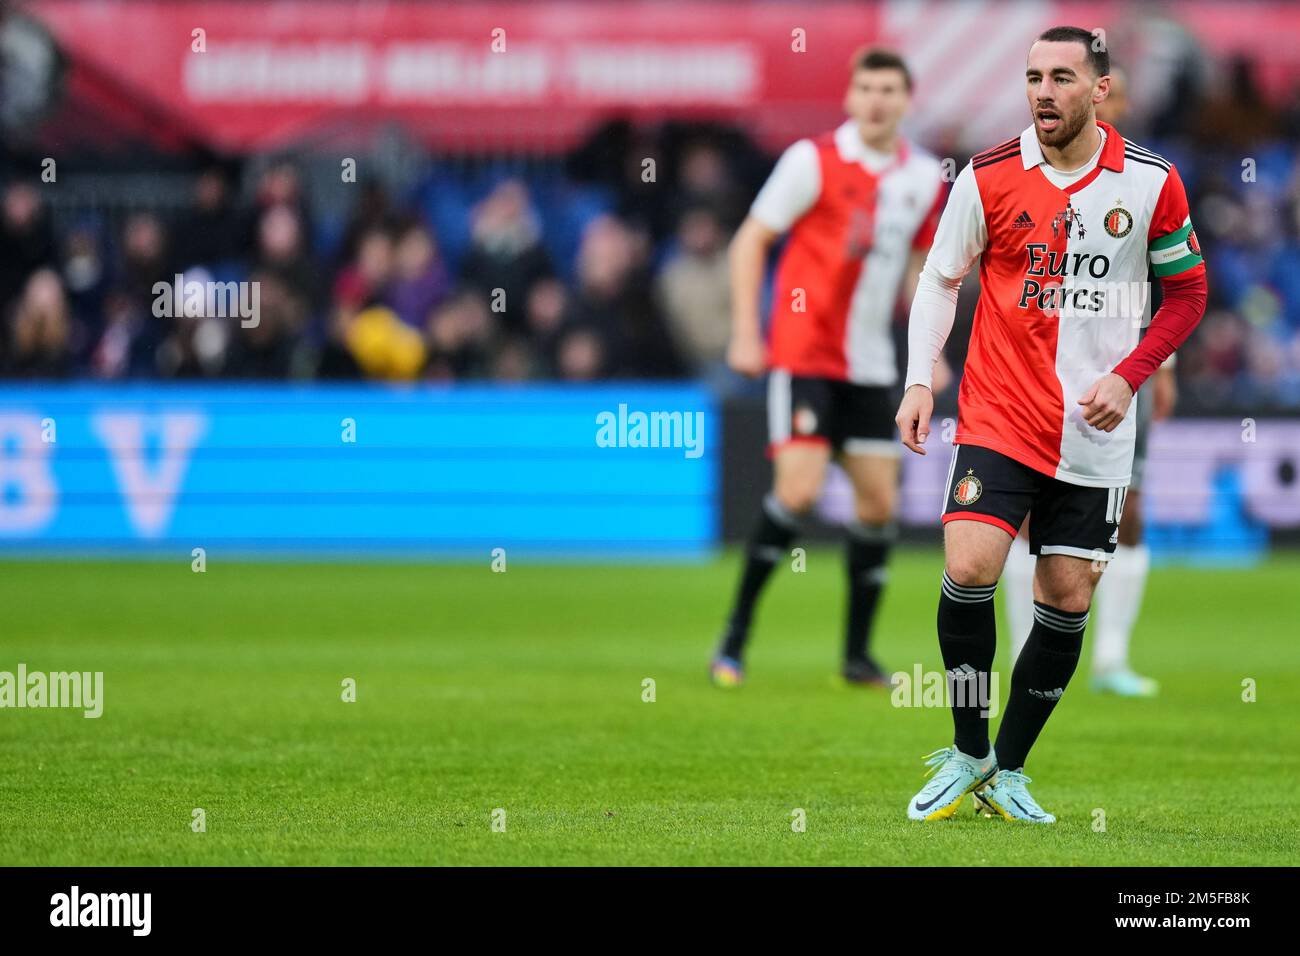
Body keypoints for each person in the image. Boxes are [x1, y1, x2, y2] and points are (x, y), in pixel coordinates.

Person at [896, 27, 1206, 822]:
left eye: (1062, 77)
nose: (1042, 91)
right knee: (970, 565)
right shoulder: (990, 175)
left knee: (1066, 595)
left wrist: (1130, 377)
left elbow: (1188, 295)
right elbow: (939, 278)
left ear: (1099, 90)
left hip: (1095, 430)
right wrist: (920, 379)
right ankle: (968, 749)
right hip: (998, 412)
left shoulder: (1151, 184)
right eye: (1033, 76)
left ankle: (1010, 766)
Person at [710, 47, 946, 688]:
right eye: (865, 87)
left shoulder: (924, 178)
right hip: (805, 353)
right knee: (800, 491)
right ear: (849, 96)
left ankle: (857, 655)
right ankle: (733, 638)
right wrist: (744, 333)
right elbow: (751, 239)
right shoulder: (810, 160)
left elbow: (923, 270)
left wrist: (933, 353)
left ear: (906, 100)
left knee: (877, 504)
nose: (875, 100)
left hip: (872, 366)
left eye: (888, 89)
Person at [1001, 67, 1175, 697]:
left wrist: (1162, 368)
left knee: (1129, 510)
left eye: (1123, 95)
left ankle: (1111, 659)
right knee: (1023, 515)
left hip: (1126, 374)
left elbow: (1168, 288)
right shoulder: (1034, 172)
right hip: (1039, 370)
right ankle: (1028, 649)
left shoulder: (1151, 180)